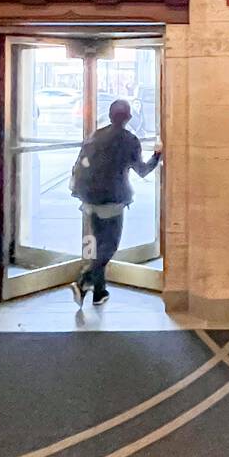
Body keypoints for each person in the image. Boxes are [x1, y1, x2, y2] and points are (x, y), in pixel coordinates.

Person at [69, 98, 162, 307]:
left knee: (99, 242)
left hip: (89, 197)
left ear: (110, 116)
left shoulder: (96, 135)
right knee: (109, 246)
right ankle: (84, 280)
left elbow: (82, 161)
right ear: (128, 117)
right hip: (112, 199)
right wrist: (157, 155)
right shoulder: (129, 140)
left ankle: (99, 292)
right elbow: (142, 170)